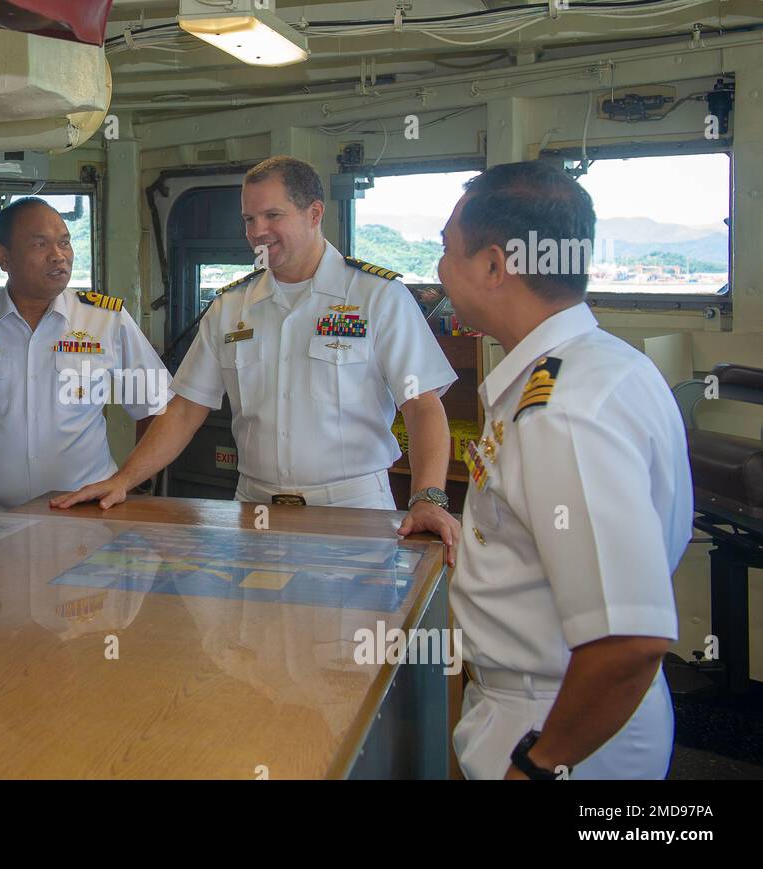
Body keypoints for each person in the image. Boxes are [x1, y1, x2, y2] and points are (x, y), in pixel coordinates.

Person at [54, 156, 461, 563]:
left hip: (351, 507)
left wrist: (427, 497)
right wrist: (123, 480)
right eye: (249, 219)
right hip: (254, 508)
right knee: (254, 628)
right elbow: (185, 410)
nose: (257, 232)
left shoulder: (377, 296)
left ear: (314, 213)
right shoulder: (231, 306)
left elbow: (422, 406)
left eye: (272, 215)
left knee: (348, 627)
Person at [436, 160, 691, 779]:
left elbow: (630, 643)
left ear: (496, 266)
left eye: (446, 251)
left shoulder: (562, 412)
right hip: (553, 709)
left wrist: (539, 766)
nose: (438, 270)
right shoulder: (600, 364)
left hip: (559, 727)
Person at [0, 197, 170, 510]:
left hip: (86, 513)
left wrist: (134, 484)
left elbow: (155, 403)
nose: (58, 256)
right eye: (40, 244)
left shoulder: (106, 319)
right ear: (4, 257)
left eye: (64, 243)